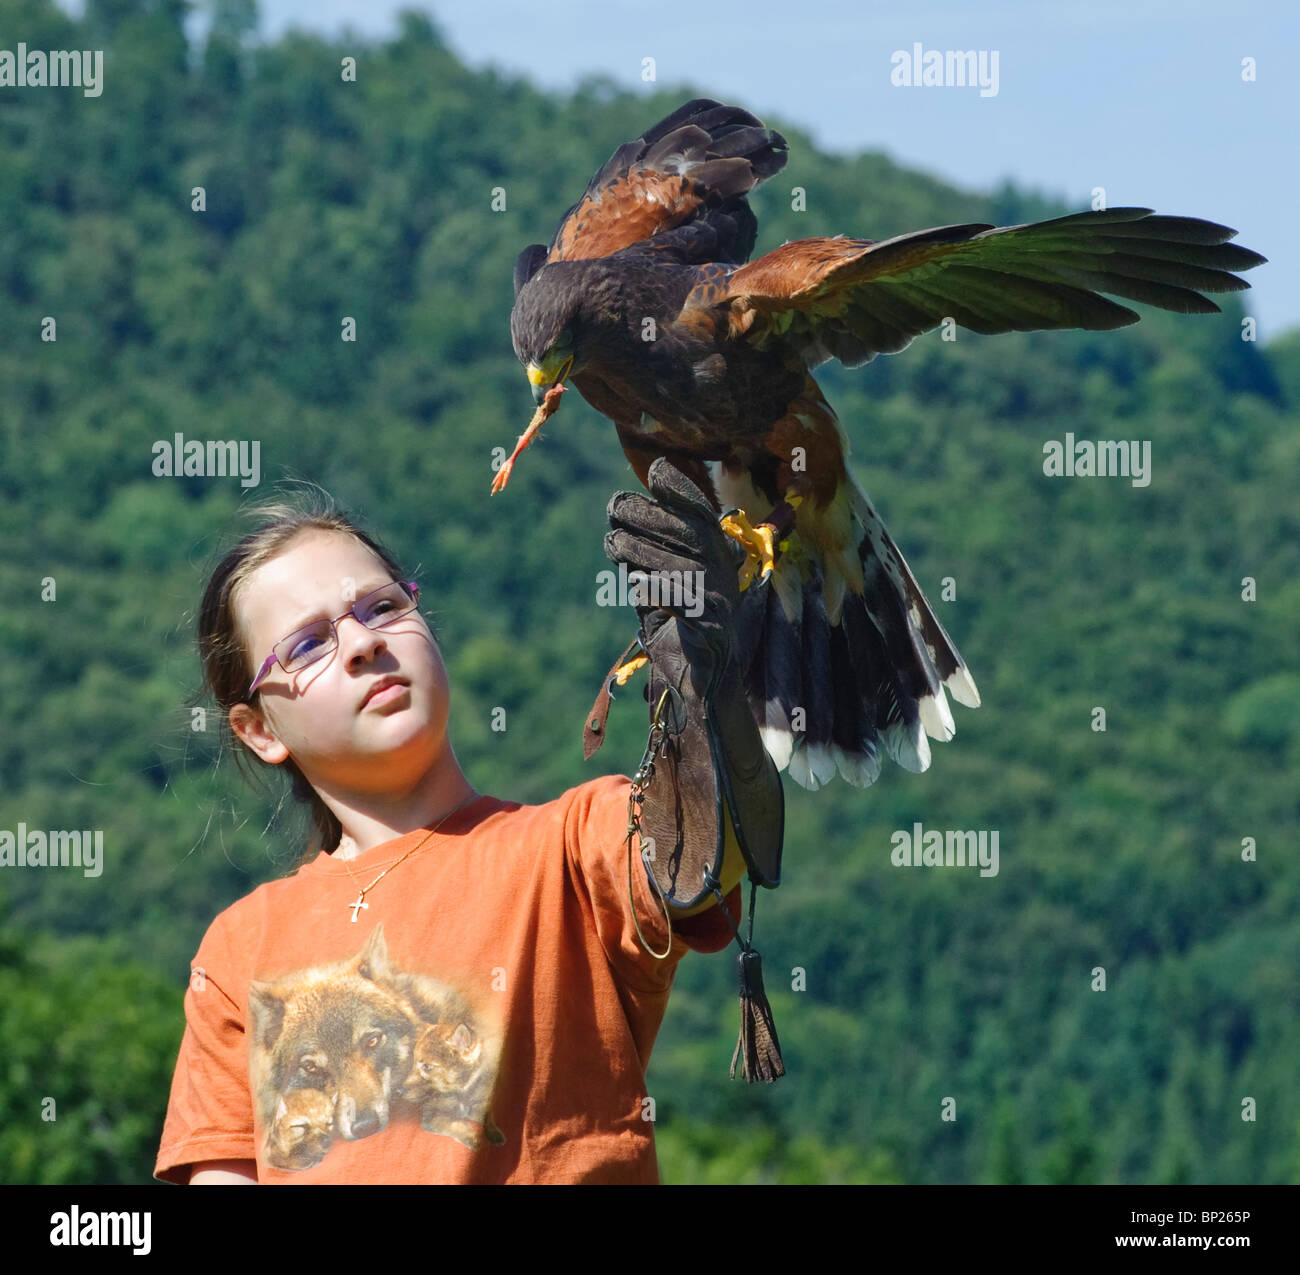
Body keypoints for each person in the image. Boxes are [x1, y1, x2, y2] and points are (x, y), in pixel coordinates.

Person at [154, 460, 783, 1185]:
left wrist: (712, 681)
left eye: (382, 607)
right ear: (260, 729)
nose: (362, 643)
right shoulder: (239, 949)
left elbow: (714, 846)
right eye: (306, 645)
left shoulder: (572, 844)